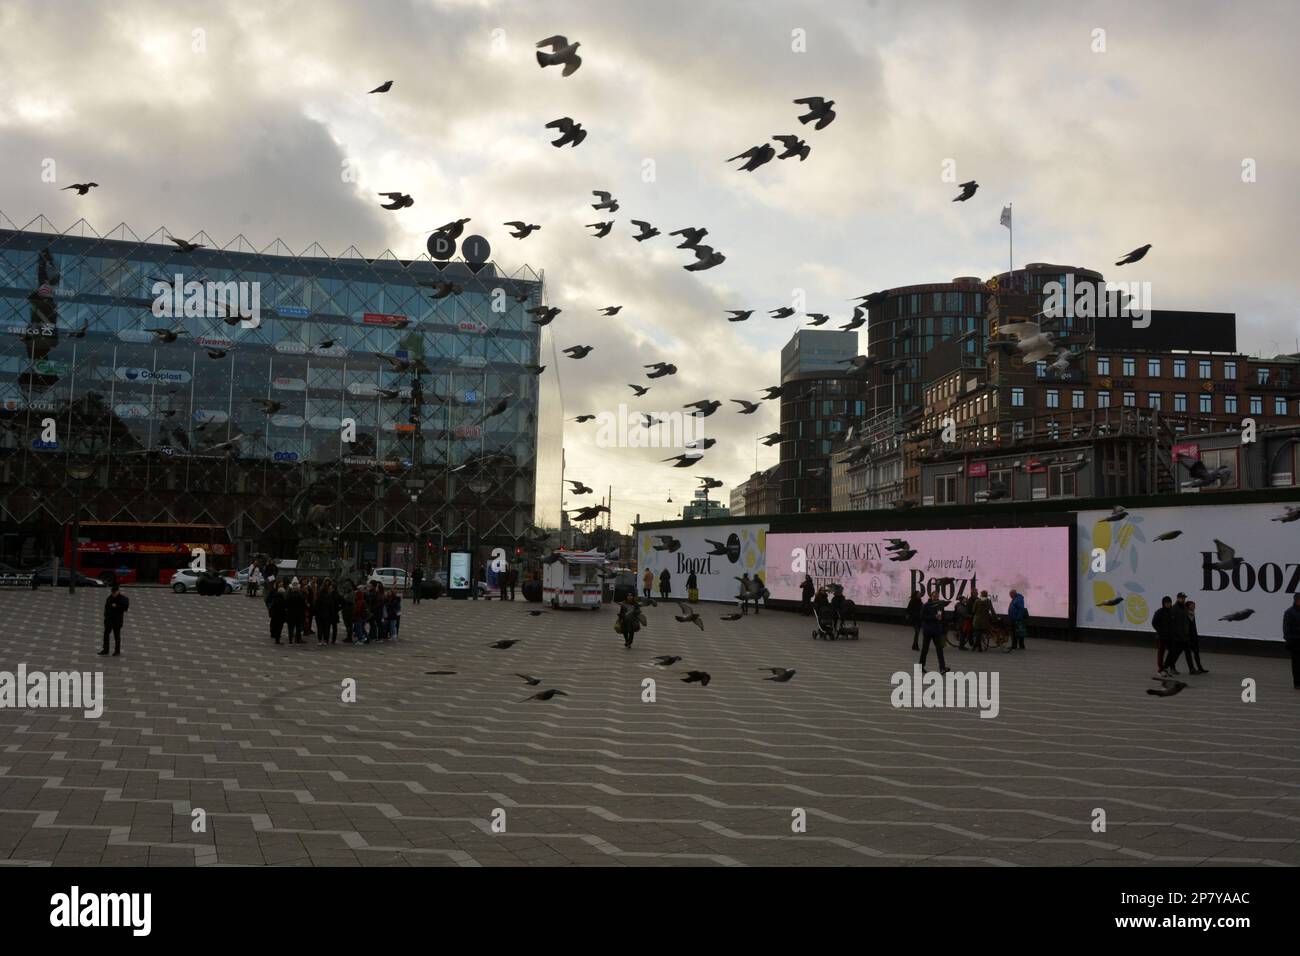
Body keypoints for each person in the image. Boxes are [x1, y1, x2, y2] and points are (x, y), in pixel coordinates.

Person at [918, 594, 949, 674]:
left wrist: (942, 623)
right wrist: (934, 617)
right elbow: (922, 617)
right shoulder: (926, 606)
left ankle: (942, 668)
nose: (936, 598)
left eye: (937, 596)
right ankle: (921, 666)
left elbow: (942, 617)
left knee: (939, 650)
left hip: (937, 630)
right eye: (934, 596)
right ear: (931, 597)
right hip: (928, 630)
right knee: (925, 649)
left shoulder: (939, 605)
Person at [1163, 592, 1191, 674]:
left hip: (1184, 635)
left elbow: (1186, 621)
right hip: (1176, 636)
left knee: (1184, 652)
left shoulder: (1185, 608)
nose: (1183, 599)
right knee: (1174, 653)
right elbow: (1172, 623)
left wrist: (1187, 631)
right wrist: (1174, 634)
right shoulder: (1174, 609)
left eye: (1184, 598)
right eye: (1182, 598)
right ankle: (1168, 667)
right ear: (1178, 598)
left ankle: (1191, 669)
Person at [99, 583, 129, 656]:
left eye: (114, 592)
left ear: (118, 591)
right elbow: (106, 608)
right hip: (108, 620)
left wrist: (116, 606)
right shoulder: (109, 598)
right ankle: (105, 649)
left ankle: (117, 651)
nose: (113, 594)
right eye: (112, 592)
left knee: (117, 636)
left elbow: (125, 608)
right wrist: (105, 617)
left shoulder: (124, 599)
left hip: (117, 621)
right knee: (106, 635)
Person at [1152, 596, 1173, 676]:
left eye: (1169, 603)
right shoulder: (1159, 612)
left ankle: (1165, 667)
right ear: (1163, 603)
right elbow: (1154, 623)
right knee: (1161, 653)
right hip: (1161, 637)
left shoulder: (1172, 611)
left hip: (1170, 636)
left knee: (1172, 651)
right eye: (1167, 603)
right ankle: (1160, 670)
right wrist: (1160, 631)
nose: (1168, 604)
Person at [1184, 600, 1207, 674]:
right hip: (1187, 637)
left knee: (1196, 653)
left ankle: (1199, 667)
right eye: (1192, 605)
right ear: (1188, 607)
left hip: (1194, 636)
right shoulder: (1185, 615)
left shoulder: (1192, 614)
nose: (1194, 607)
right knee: (1178, 653)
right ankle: (1169, 666)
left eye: (1194, 605)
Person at [1283, 593, 1300, 690]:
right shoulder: (1289, 612)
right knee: (1296, 663)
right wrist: (1288, 639)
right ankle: (1297, 682)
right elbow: (1286, 627)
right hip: (1295, 641)